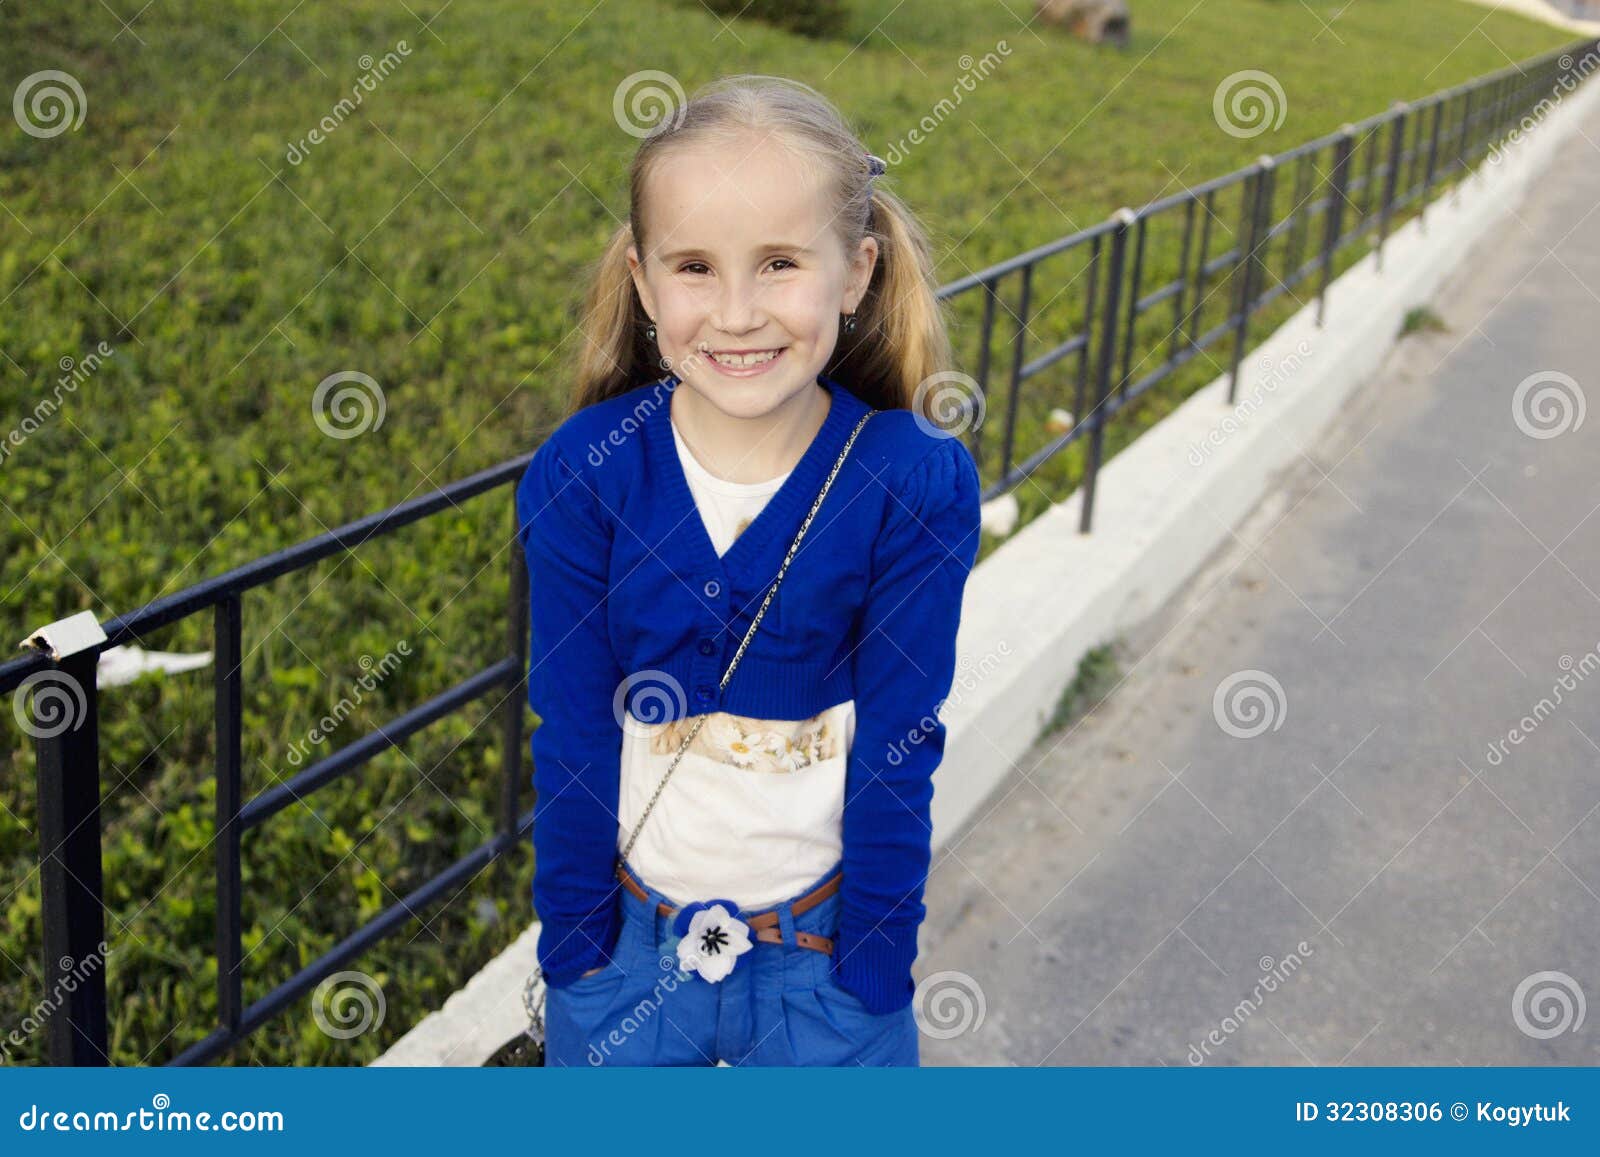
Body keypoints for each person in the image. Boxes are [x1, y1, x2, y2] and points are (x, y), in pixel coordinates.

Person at [514, 73, 981, 1066]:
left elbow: (901, 741)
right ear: (644, 282)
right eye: (694, 267)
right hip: (628, 958)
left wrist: (872, 971)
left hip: (820, 969)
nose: (735, 313)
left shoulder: (910, 480)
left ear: (854, 273)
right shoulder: (587, 472)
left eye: (778, 263)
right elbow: (572, 733)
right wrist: (578, 955)